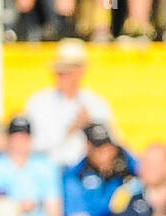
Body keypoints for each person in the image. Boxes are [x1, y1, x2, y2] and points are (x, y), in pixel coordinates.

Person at [24, 39, 115, 171]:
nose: (62, 76)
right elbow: (30, 145)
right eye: (59, 72)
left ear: (81, 72)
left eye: (68, 71)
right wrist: (71, 129)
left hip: (86, 176)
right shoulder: (38, 103)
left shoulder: (96, 103)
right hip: (47, 173)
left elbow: (112, 143)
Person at [0, 114, 63, 216]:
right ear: (8, 139)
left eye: (25, 138)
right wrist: (18, 208)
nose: (21, 142)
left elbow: (53, 203)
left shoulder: (45, 164)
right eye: (17, 138)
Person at [64, 122, 138, 216]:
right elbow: (77, 213)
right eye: (98, 148)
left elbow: (150, 171)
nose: (104, 153)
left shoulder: (126, 162)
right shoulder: (77, 174)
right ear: (88, 148)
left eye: (107, 147)